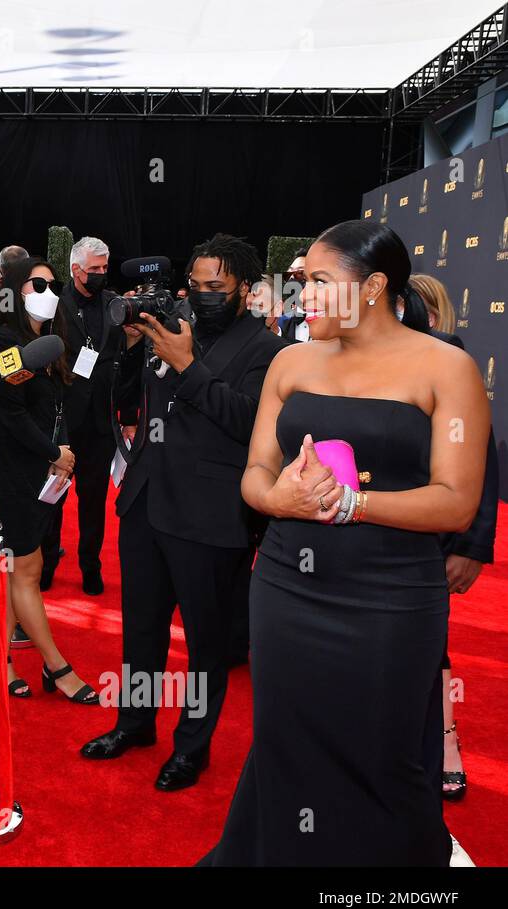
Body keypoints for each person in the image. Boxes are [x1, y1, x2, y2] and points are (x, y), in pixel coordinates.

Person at [202, 220, 489, 865]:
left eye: (318, 283)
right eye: (301, 282)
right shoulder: (291, 360)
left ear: (374, 287)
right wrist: (279, 500)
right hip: (286, 587)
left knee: (380, 753)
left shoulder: (448, 368)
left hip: (392, 597)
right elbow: (255, 474)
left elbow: (456, 499)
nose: (301, 297)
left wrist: (352, 504)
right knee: (286, 739)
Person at [81, 234, 287, 791]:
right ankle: (135, 723)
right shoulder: (172, 327)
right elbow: (129, 400)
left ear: (246, 288)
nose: (202, 296)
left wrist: (189, 365)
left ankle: (192, 748)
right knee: (141, 631)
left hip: (211, 516)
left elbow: (248, 423)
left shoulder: (267, 350)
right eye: (195, 286)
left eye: (215, 287)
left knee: (205, 644)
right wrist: (128, 348)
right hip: (147, 501)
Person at [0, 257, 96, 703]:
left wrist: (61, 453)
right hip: (10, 468)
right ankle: (56, 666)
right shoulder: (7, 343)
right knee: (26, 569)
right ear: (13, 290)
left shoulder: (51, 340)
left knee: (19, 569)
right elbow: (11, 413)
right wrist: (53, 452)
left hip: (43, 468)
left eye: (51, 282)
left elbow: (59, 406)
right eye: (36, 282)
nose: (46, 289)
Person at [409, 273, 499, 801]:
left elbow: (481, 462)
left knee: (429, 648)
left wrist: (471, 544)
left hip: (432, 534)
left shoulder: (450, 361)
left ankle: (445, 743)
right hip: (363, 530)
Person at [42, 236, 121, 595]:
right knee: (54, 497)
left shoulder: (115, 305)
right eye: (94, 270)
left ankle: (91, 566)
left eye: (105, 268)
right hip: (65, 420)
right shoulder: (56, 307)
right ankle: (46, 565)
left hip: (102, 420)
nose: (101, 274)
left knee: (93, 500)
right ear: (76, 271)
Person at [278, 247, 311, 341]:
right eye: (289, 273)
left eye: (300, 272)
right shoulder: (279, 322)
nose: (291, 277)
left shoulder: (335, 323)